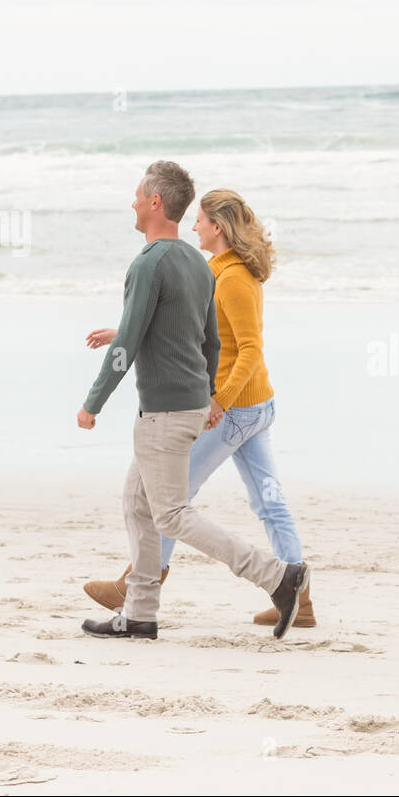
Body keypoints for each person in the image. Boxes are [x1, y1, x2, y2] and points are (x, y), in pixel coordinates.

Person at [75, 161, 308, 641]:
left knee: (173, 513)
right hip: (189, 406)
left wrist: (93, 402)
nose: (133, 202)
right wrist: (207, 396)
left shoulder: (151, 263)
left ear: (155, 202)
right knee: (138, 501)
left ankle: (277, 576)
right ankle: (139, 611)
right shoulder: (197, 266)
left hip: (167, 412)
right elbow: (207, 341)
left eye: (138, 194)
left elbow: (131, 345)